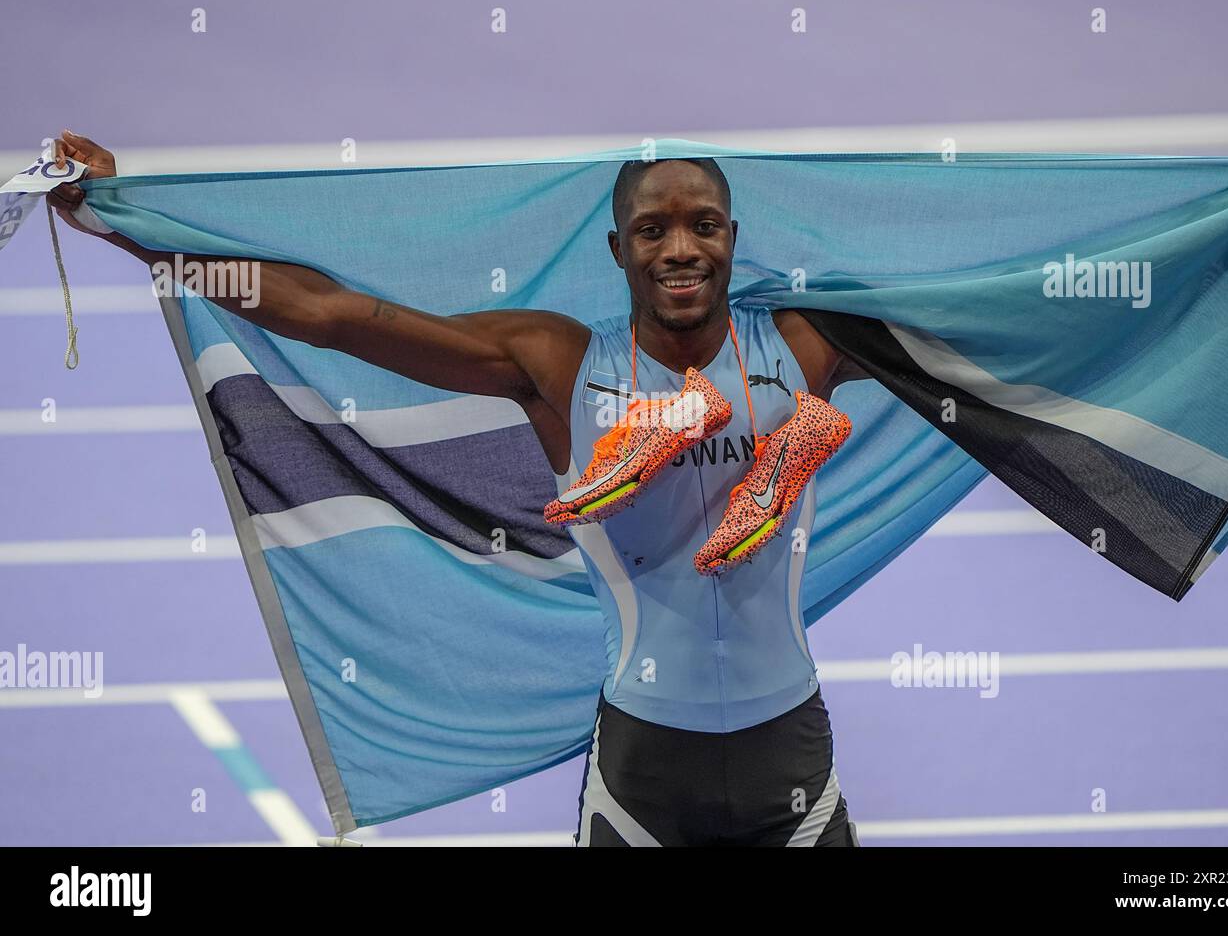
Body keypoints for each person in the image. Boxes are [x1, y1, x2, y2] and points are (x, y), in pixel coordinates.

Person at [49, 130, 870, 846]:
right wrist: (129, 228)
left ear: (734, 237)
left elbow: (970, 324)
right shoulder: (560, 367)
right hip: (644, 779)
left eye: (704, 227)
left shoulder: (804, 345)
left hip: (788, 766)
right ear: (618, 249)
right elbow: (332, 315)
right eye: (652, 231)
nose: (680, 250)